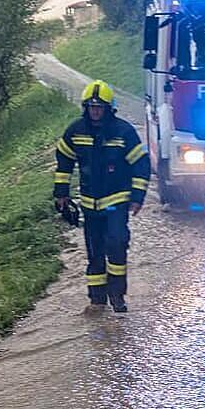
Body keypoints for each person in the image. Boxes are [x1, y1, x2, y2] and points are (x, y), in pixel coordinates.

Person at [54, 80, 151, 313]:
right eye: (91, 106)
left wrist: (137, 197)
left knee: (116, 244)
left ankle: (117, 296)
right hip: (89, 205)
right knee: (94, 251)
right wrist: (61, 194)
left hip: (116, 202)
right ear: (85, 107)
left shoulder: (123, 132)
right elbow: (64, 161)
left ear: (109, 108)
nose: (95, 111)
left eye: (99, 107)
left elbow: (141, 164)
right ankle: (97, 301)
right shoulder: (75, 131)